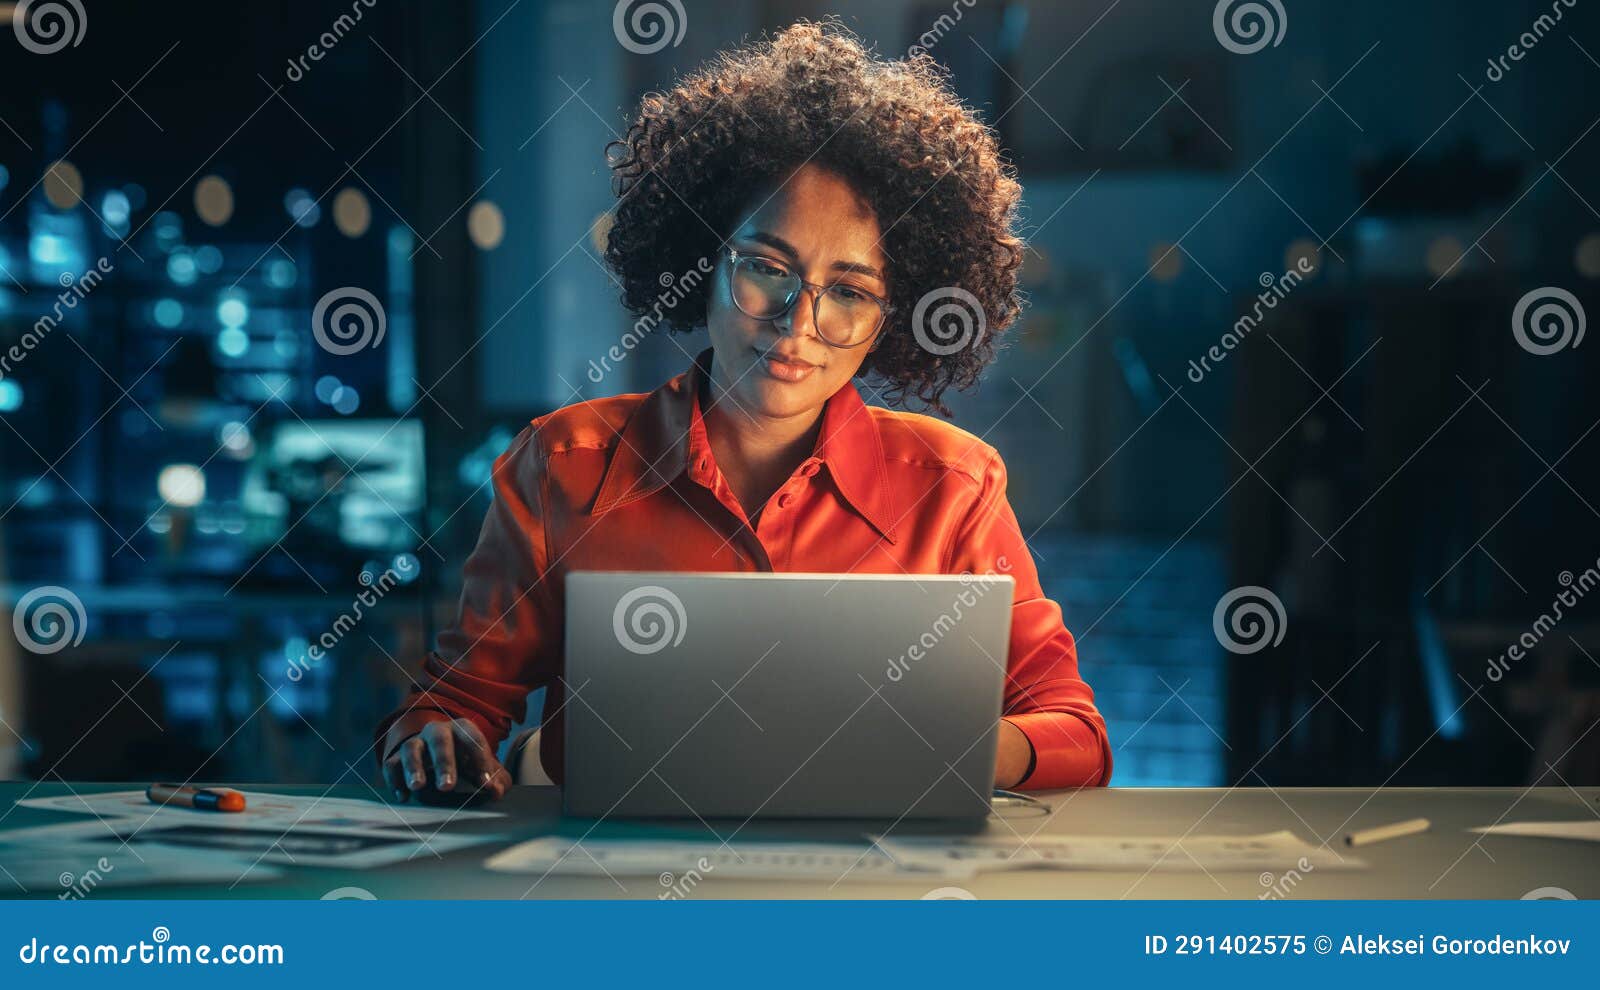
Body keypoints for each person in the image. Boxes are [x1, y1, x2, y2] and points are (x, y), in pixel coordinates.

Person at [377, 21, 1111, 804]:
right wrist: (439, 739)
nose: (798, 324)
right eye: (767, 269)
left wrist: (963, 749)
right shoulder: (566, 463)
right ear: (703, 257)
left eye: (851, 293)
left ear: (893, 315)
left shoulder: (954, 486)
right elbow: (456, 705)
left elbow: (1076, 733)